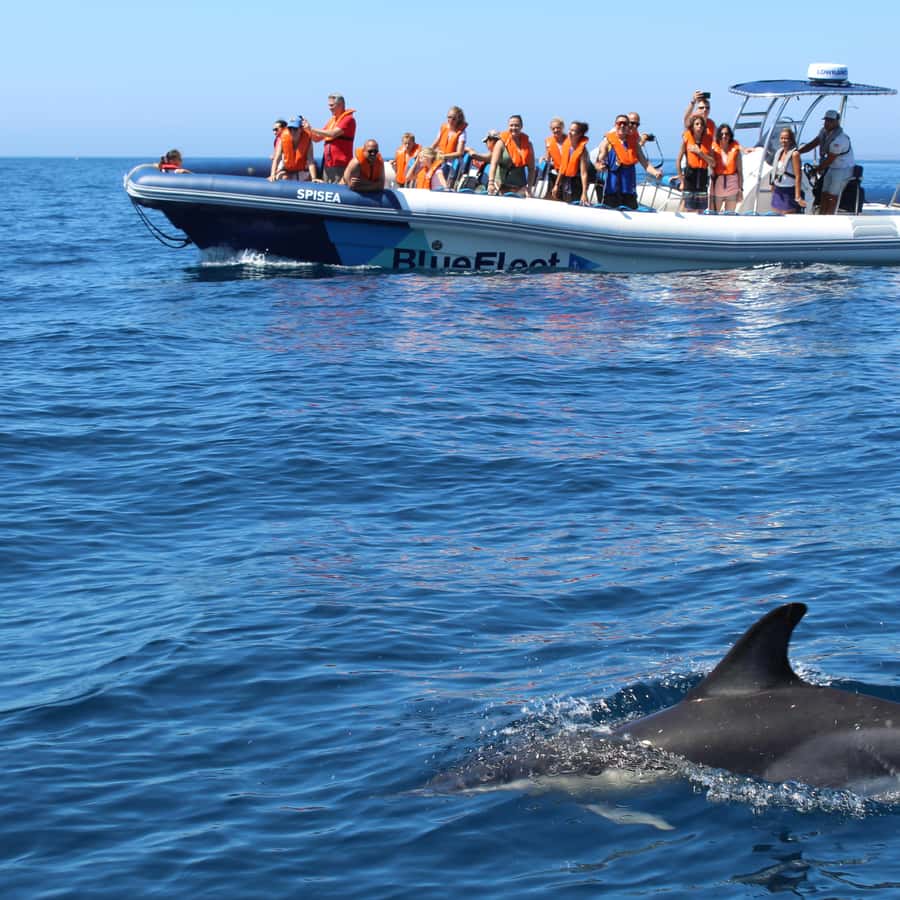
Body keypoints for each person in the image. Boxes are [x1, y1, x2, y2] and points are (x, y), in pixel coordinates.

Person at [595, 114, 662, 209]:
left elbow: (645, 164)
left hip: (629, 188)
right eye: (619, 123)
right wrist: (600, 166)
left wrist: (655, 172)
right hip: (612, 188)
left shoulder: (634, 144)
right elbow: (599, 161)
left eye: (625, 124)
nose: (622, 126)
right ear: (615, 125)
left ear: (628, 126)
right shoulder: (607, 142)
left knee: (631, 207)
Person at [798, 110, 855, 215]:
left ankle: (830, 215)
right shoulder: (823, 133)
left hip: (842, 169)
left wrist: (816, 170)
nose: (827, 123)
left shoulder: (840, 139)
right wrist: (797, 152)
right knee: (824, 193)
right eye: (826, 120)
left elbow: (830, 159)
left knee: (832, 195)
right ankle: (822, 214)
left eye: (831, 121)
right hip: (832, 168)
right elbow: (812, 144)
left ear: (837, 122)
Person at [305, 93, 357, 183]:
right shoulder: (332, 121)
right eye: (329, 105)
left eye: (332, 105)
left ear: (340, 105)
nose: (329, 108)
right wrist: (306, 130)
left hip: (340, 165)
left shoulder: (348, 120)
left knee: (338, 187)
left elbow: (333, 134)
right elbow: (316, 139)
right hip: (328, 165)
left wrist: (312, 129)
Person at [487, 115, 535, 196]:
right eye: (511, 125)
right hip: (501, 186)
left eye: (516, 125)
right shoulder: (501, 143)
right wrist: (491, 183)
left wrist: (529, 187)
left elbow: (531, 169)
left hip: (519, 187)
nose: (514, 128)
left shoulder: (528, 145)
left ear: (521, 126)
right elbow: (493, 164)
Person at [676, 114, 715, 212]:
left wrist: (700, 153)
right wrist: (681, 180)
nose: (699, 126)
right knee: (687, 207)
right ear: (692, 126)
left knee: (701, 209)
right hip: (690, 177)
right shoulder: (687, 140)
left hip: (702, 177)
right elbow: (678, 160)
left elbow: (713, 163)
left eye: (701, 124)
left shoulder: (708, 142)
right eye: (697, 124)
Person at [550, 121, 591, 205]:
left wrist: (584, 193)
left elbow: (584, 173)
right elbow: (562, 167)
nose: (569, 132)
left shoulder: (583, 151)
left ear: (579, 134)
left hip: (576, 184)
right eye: (569, 129)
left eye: (573, 130)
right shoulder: (566, 146)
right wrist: (556, 185)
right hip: (565, 182)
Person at [769, 127, 806, 215]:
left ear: (791, 140)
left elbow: (798, 176)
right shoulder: (779, 153)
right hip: (778, 189)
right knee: (776, 213)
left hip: (789, 190)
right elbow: (775, 171)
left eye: (786, 138)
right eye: (782, 138)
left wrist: (798, 196)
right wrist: (772, 185)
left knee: (788, 214)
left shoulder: (794, 154)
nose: (783, 140)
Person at [269, 117, 317, 182]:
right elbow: (277, 158)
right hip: (286, 169)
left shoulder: (307, 140)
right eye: (290, 129)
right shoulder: (282, 139)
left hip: (301, 170)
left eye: (295, 129)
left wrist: (314, 178)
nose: (292, 131)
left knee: (308, 179)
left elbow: (310, 161)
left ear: (301, 129)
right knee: (284, 177)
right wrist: (272, 174)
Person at [709, 124, 743, 212]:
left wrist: (740, 190)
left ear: (730, 136)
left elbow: (740, 171)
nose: (724, 136)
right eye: (721, 134)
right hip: (717, 187)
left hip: (732, 187)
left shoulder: (735, 150)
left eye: (726, 134)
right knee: (713, 214)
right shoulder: (713, 150)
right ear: (718, 136)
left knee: (730, 215)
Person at [541, 118, 566, 192]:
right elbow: (548, 157)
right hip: (556, 170)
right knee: (544, 168)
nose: (556, 130)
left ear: (562, 127)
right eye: (553, 129)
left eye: (558, 128)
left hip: (567, 171)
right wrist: (543, 158)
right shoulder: (549, 141)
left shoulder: (569, 141)